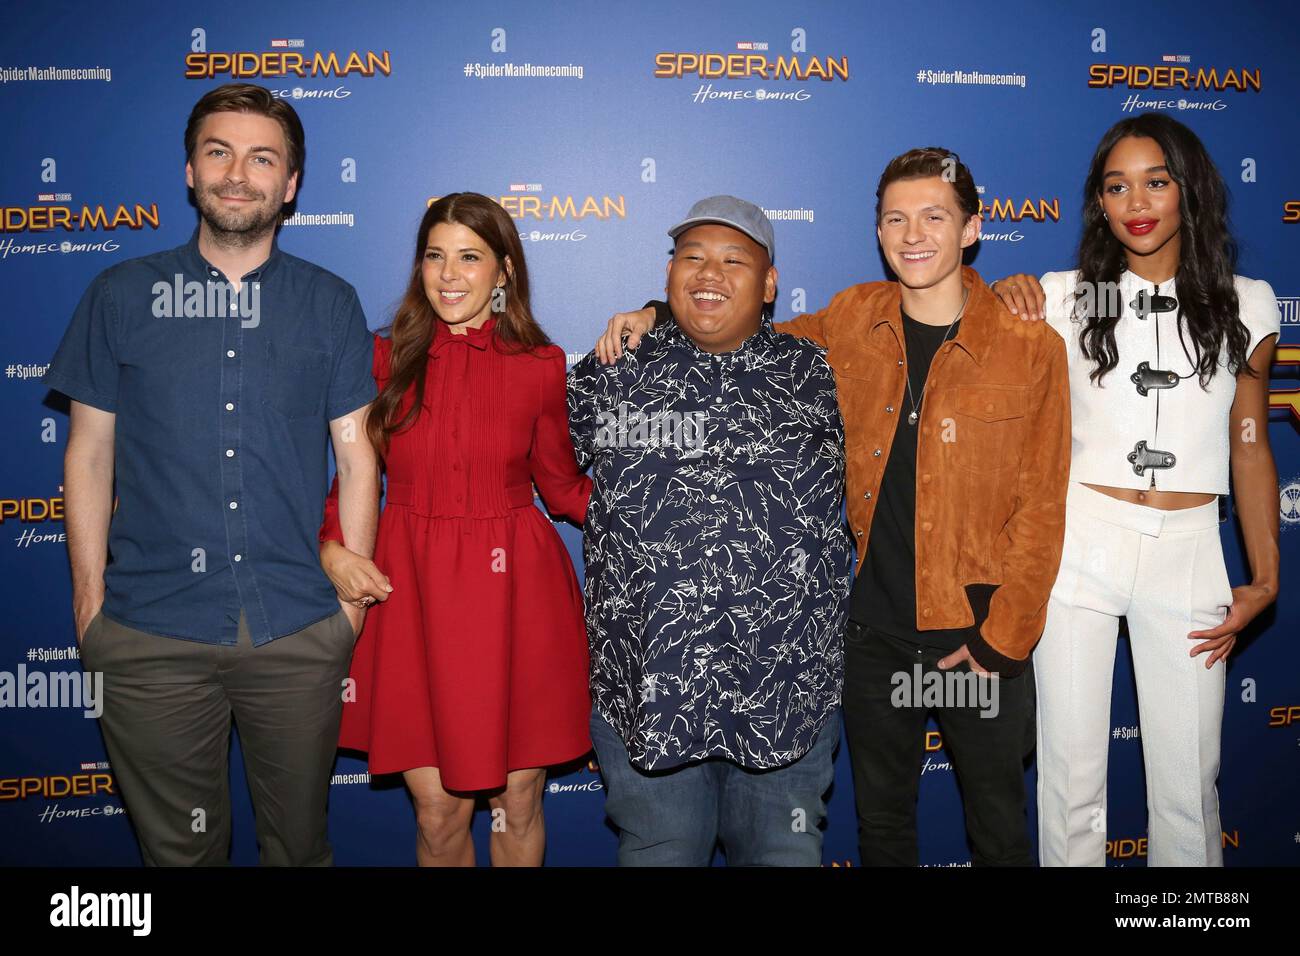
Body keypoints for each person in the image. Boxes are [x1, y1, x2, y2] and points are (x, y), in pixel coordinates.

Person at [596, 152, 1072, 866]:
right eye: (895, 219)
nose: (912, 235)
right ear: (878, 230)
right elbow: (743, 331)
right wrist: (659, 310)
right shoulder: (852, 319)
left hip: (977, 634)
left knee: (999, 830)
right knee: (882, 831)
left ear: (972, 228)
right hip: (873, 637)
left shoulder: (1029, 344)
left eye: (934, 217)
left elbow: (1042, 502)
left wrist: (1004, 641)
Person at [43, 83, 379, 865]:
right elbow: (88, 453)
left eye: (263, 158)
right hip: (147, 631)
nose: (238, 173)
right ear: (191, 171)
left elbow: (357, 456)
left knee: (299, 851)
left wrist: (347, 615)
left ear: (290, 185)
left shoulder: (328, 304)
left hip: (297, 628)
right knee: (179, 858)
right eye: (218, 152)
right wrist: (90, 602)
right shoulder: (120, 295)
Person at [989, 112, 1280, 866]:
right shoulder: (1064, 296)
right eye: (1117, 186)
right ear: (1100, 202)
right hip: (1080, 547)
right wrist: (1004, 291)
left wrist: (1265, 575)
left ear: (1190, 191)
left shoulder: (1247, 303)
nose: (1137, 201)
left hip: (1188, 554)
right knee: (1069, 780)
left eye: (1156, 181)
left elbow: (1249, 443)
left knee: (1191, 786)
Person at [570, 196, 853, 866]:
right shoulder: (612, 372)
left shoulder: (816, 372)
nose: (710, 273)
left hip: (784, 698)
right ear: (668, 273)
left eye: (734, 261)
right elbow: (542, 469)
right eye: (693, 258)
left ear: (770, 284)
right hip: (653, 696)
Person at [317, 192, 592, 867]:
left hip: (518, 593)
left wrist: (664, 515)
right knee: (439, 813)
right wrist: (331, 545)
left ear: (504, 272)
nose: (448, 274)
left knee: (516, 806)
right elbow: (353, 472)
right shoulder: (382, 360)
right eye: (435, 256)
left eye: (469, 257)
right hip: (411, 590)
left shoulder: (541, 366)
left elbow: (562, 487)